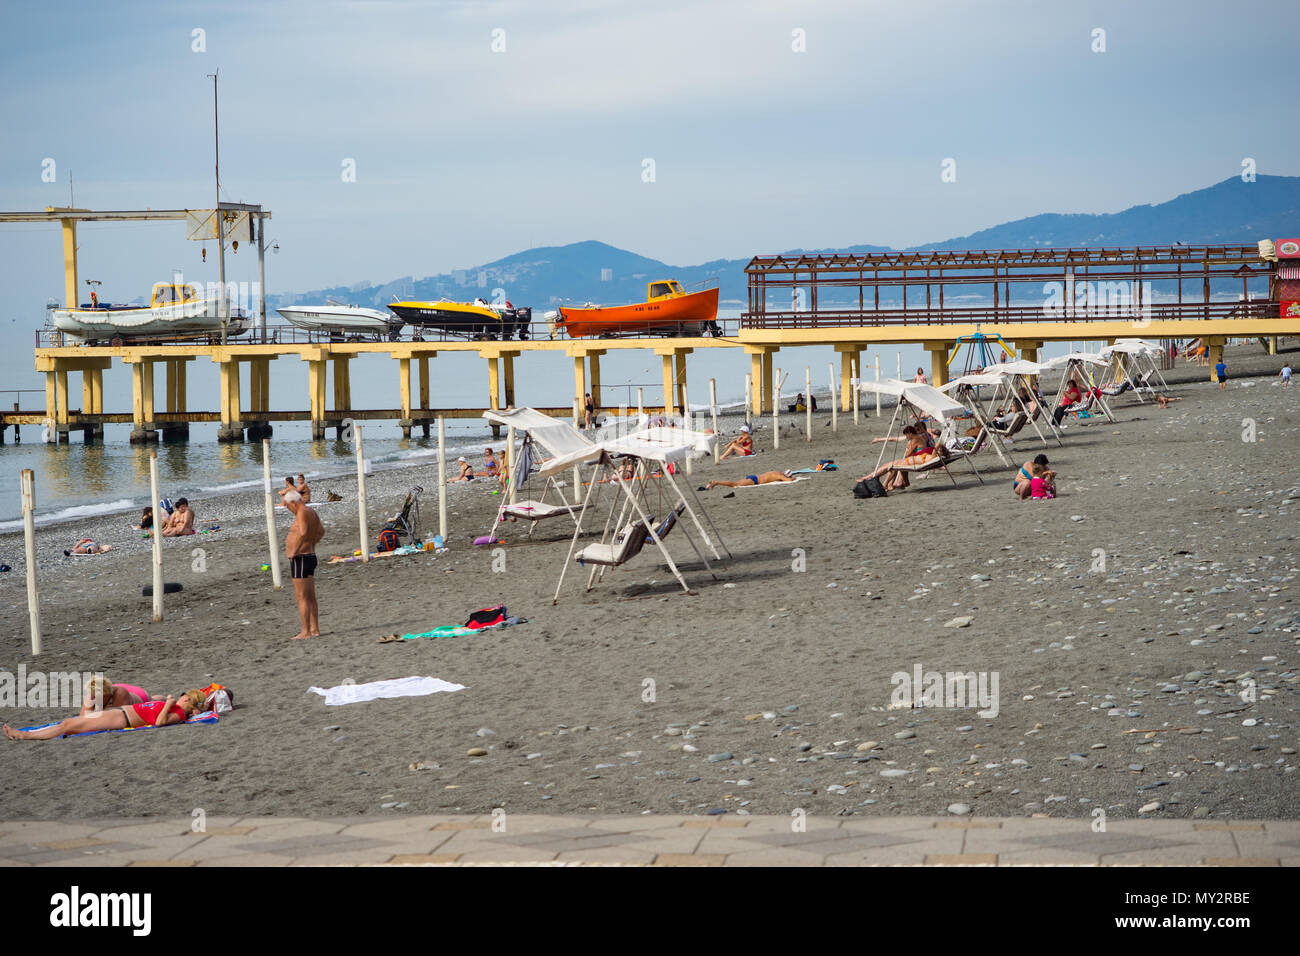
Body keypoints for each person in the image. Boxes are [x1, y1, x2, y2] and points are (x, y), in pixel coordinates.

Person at [5, 689, 205, 740]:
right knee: (69, 722)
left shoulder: (178, 713)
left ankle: (24, 735)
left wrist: (168, 703)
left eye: (183, 696)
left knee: (68, 725)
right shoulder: (174, 707)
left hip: (119, 719)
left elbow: (160, 723)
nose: (180, 697)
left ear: (187, 700)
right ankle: (26, 734)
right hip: (116, 713)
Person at [284, 490, 323, 640]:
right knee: (310, 596)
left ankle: (306, 631)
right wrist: (312, 544)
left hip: (301, 558)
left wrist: (294, 550)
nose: (289, 510)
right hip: (310, 555)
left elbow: (303, 533)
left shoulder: (302, 511)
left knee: (302, 596)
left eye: (288, 507)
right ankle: (315, 629)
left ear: (293, 502)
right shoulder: (311, 511)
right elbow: (320, 531)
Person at [78, 676, 149, 717]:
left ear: (106, 696)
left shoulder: (120, 694)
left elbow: (118, 716)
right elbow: (83, 717)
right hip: (111, 689)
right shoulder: (91, 696)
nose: (92, 698)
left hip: (138, 695)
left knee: (152, 701)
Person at [705, 470, 794, 489]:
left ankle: (715, 483)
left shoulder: (777, 472)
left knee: (735, 483)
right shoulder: (779, 475)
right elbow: (789, 481)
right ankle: (717, 482)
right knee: (734, 484)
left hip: (753, 477)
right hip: (754, 481)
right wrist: (793, 478)